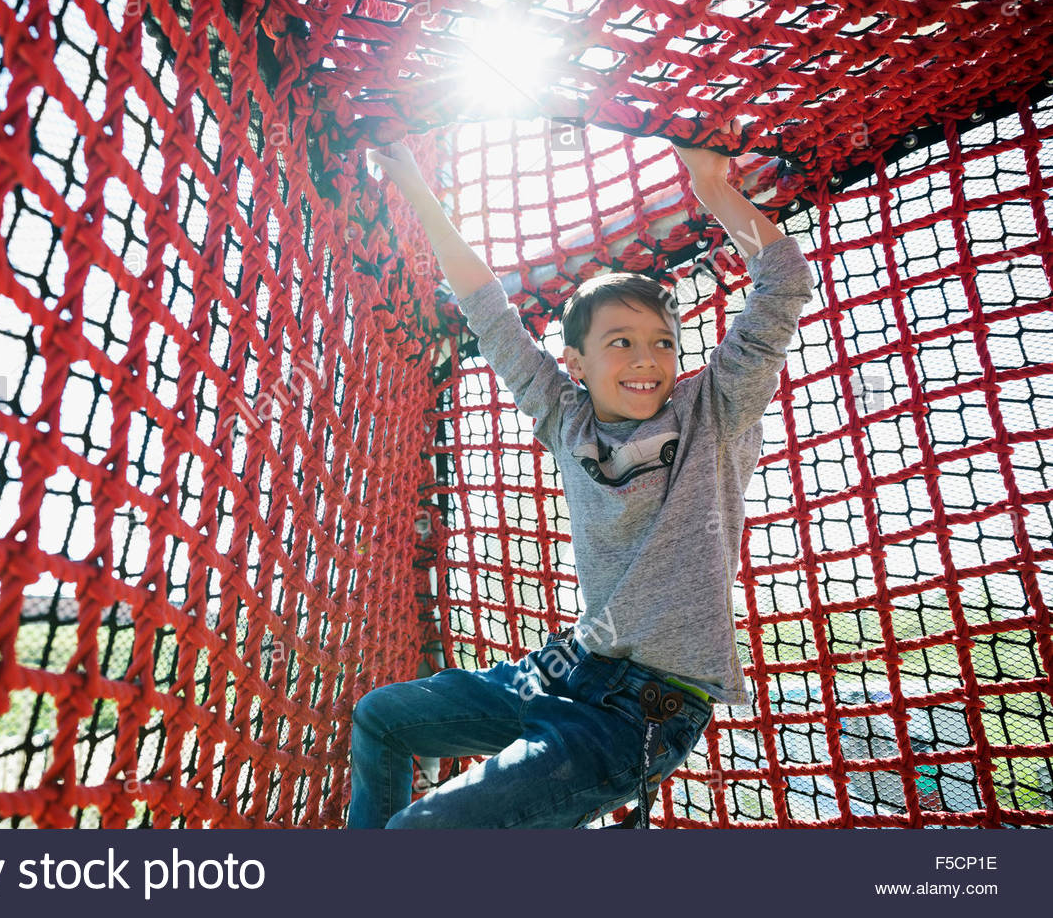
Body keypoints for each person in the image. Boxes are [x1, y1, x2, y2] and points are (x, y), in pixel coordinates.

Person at [347, 119, 816, 829]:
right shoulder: (565, 419)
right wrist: (411, 180)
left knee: (424, 833)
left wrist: (711, 187)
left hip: (644, 711)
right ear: (577, 364)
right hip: (565, 668)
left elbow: (783, 282)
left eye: (663, 342)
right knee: (383, 717)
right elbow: (486, 306)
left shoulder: (711, 412)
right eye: (621, 342)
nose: (648, 360)